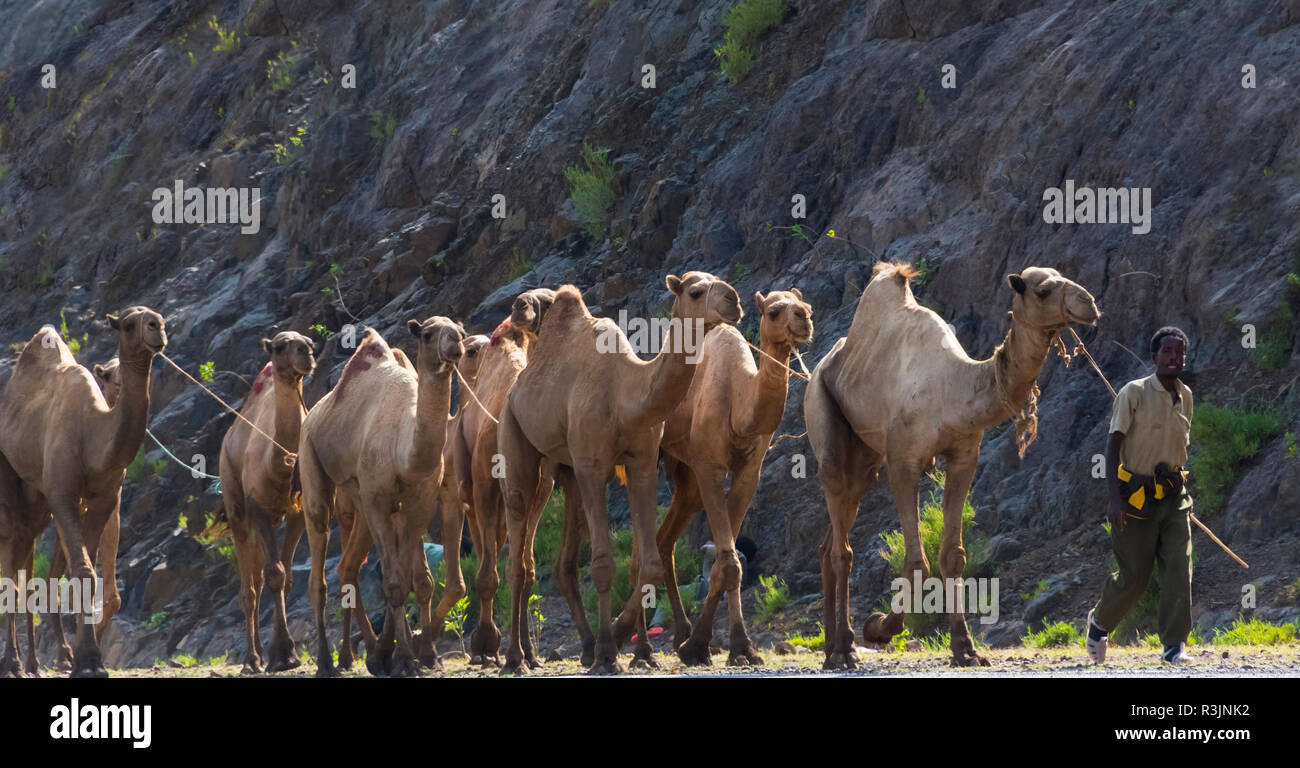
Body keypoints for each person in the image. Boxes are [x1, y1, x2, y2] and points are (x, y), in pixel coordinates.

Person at [1086, 327, 1194, 665]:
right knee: (1134, 578)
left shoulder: (1186, 396)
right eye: (1167, 352)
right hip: (1134, 498)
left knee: (1179, 567)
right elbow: (1113, 444)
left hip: (1174, 497)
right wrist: (1114, 499)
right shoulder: (1133, 392)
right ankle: (1099, 623)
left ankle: (1174, 646)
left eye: (1179, 352)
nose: (1174, 358)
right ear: (1154, 357)